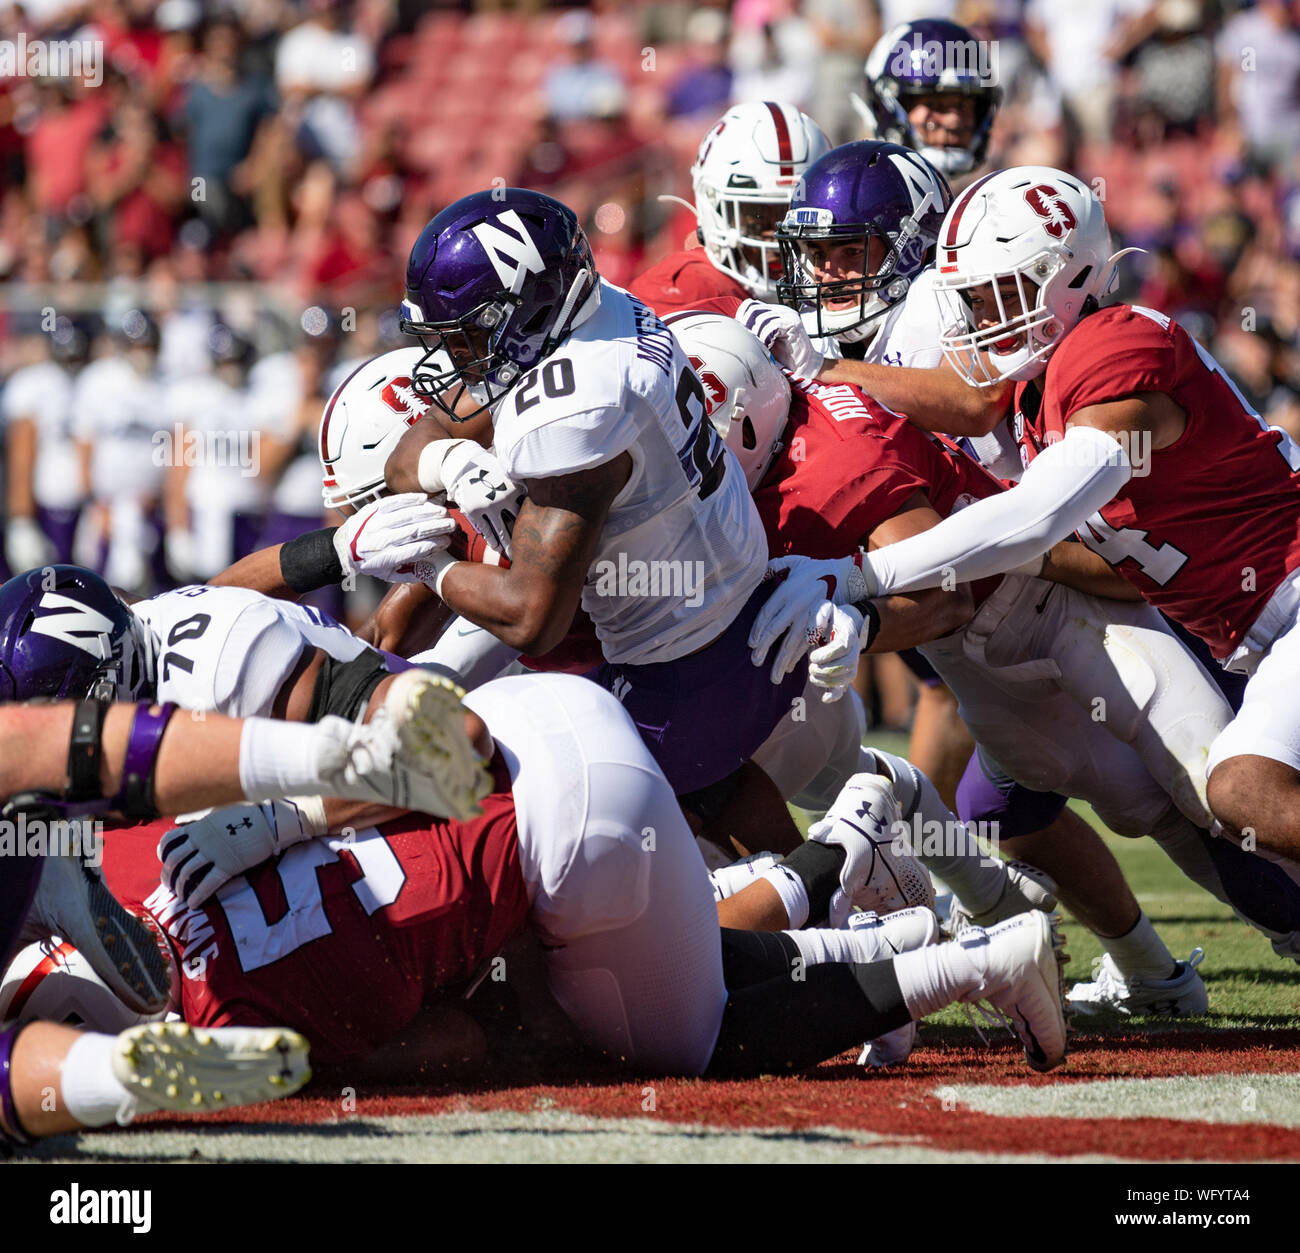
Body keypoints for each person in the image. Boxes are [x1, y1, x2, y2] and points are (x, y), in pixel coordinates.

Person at [762, 165, 1300, 939]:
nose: (976, 317)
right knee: (1214, 792)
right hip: (1258, 628)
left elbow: (1035, 515)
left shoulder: (1113, 347)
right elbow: (1060, 525)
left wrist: (856, 577)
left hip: (1284, 600)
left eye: (993, 294)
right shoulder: (1039, 392)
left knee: (1241, 790)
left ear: (1066, 281)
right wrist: (827, 371)